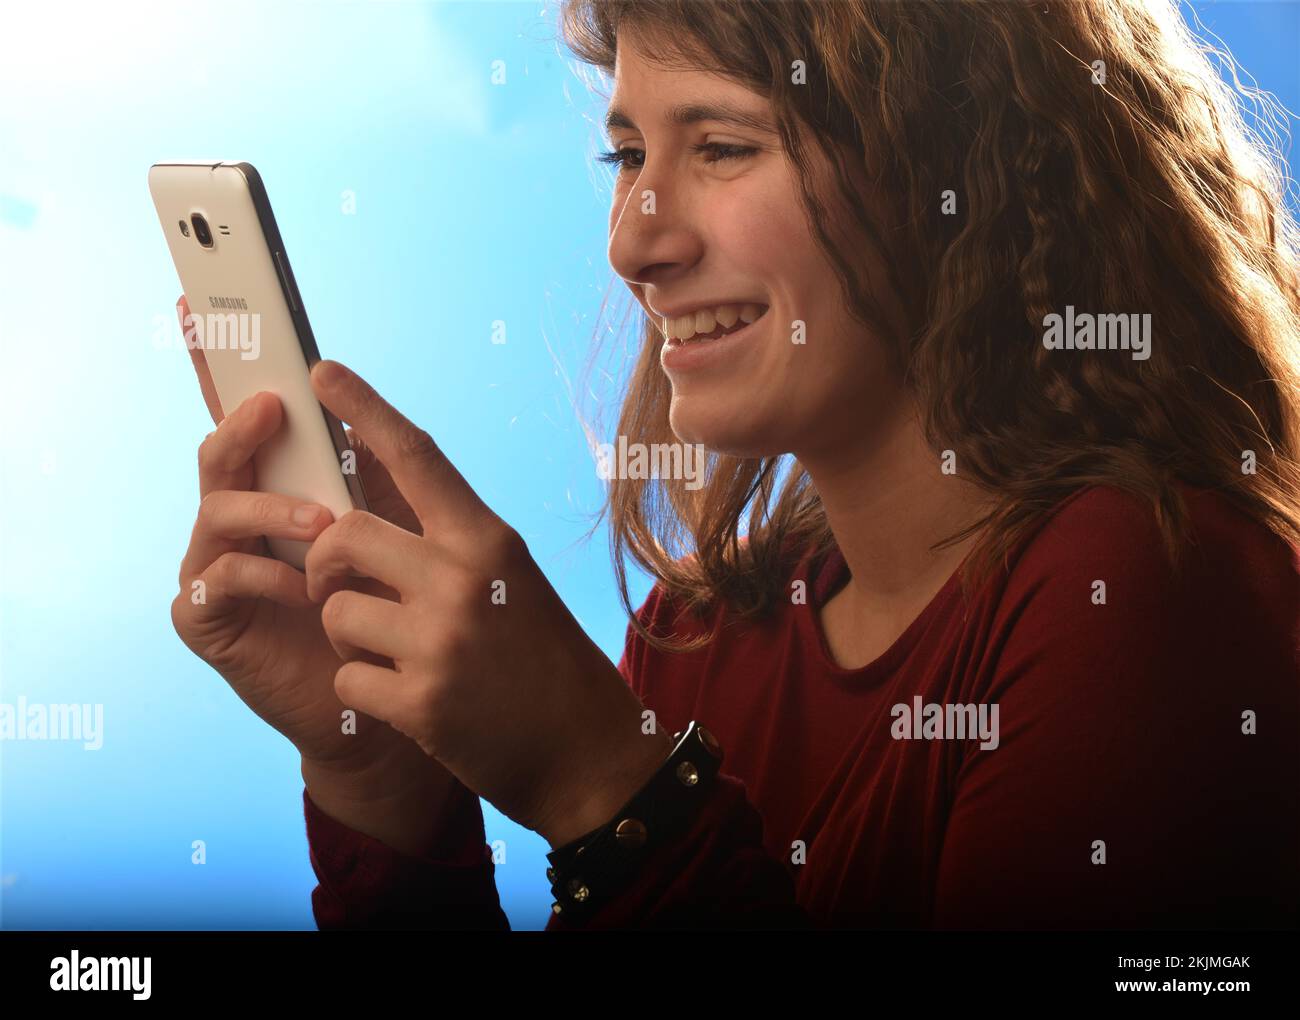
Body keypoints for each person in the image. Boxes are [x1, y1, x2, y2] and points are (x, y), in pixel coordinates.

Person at [169, 0, 1300, 929]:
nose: (632, 240)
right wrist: (383, 786)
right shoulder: (702, 644)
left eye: (721, 147)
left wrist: (603, 789)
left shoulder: (1145, 584)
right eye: (626, 154)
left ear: (963, 180)